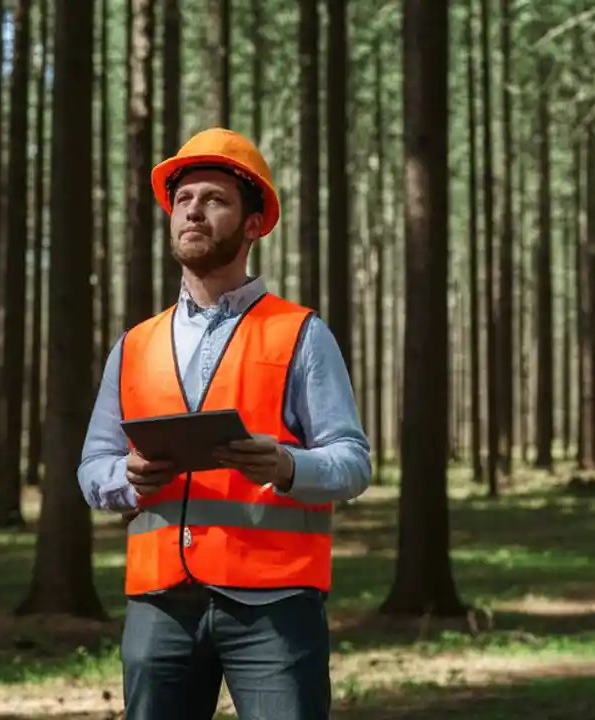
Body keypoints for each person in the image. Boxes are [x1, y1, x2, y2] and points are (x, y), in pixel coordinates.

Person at [78, 127, 371, 720]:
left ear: (254, 224)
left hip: (275, 607)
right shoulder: (136, 344)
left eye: (214, 200)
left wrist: (288, 465)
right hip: (160, 605)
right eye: (183, 200)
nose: (193, 211)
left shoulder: (301, 334)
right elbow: (92, 468)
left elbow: (353, 461)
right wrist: (128, 476)